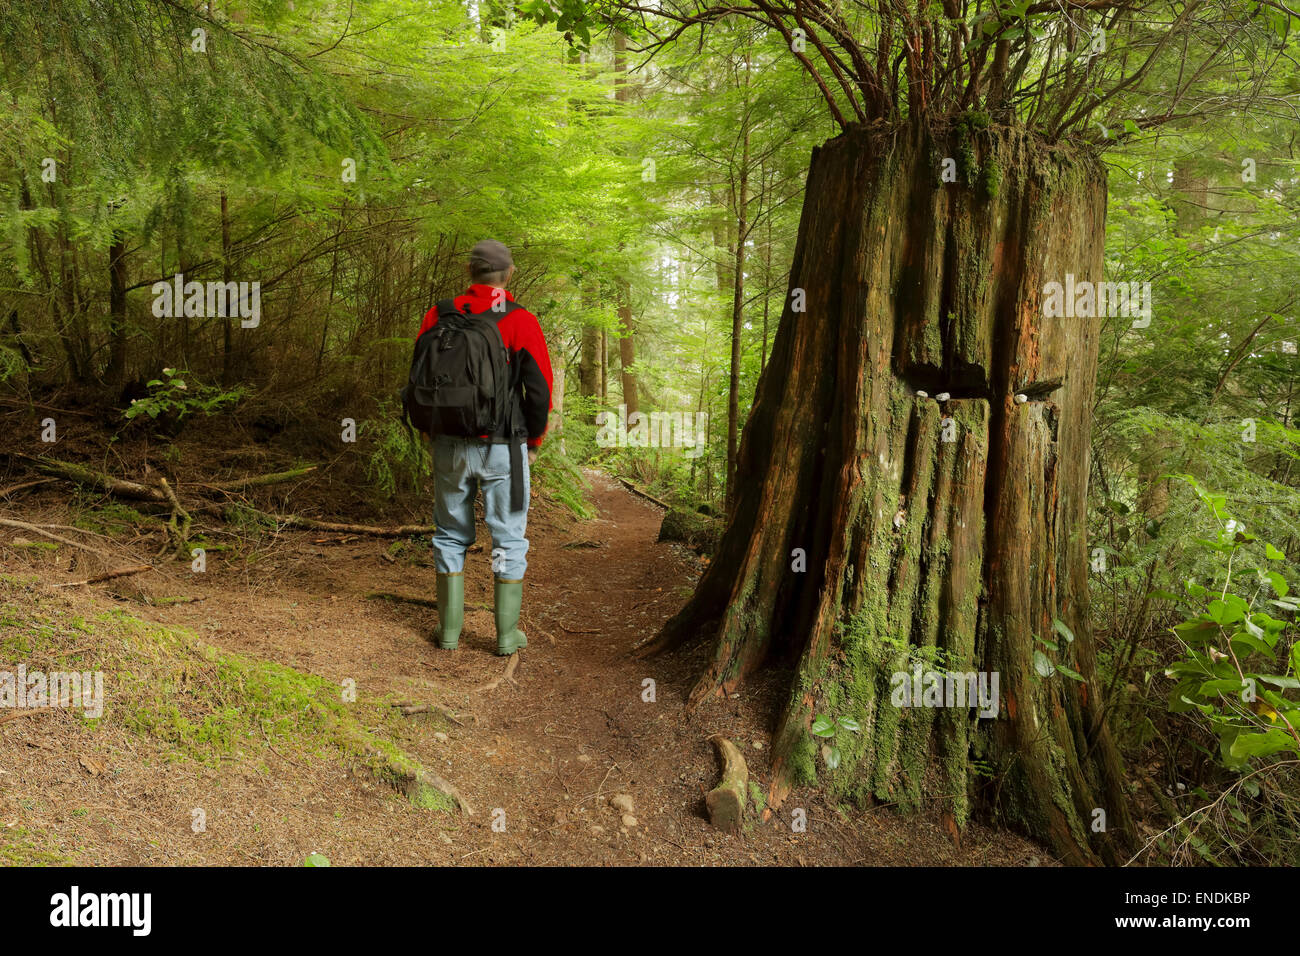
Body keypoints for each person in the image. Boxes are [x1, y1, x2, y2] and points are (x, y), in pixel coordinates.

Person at [418, 239, 553, 654]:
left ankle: (449, 633)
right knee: (508, 539)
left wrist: (430, 429)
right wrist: (534, 441)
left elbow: (422, 379)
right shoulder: (518, 319)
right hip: (504, 449)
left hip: (448, 446)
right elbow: (540, 388)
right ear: (509, 274)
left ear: (468, 270)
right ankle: (506, 636)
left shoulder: (438, 314)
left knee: (448, 534)